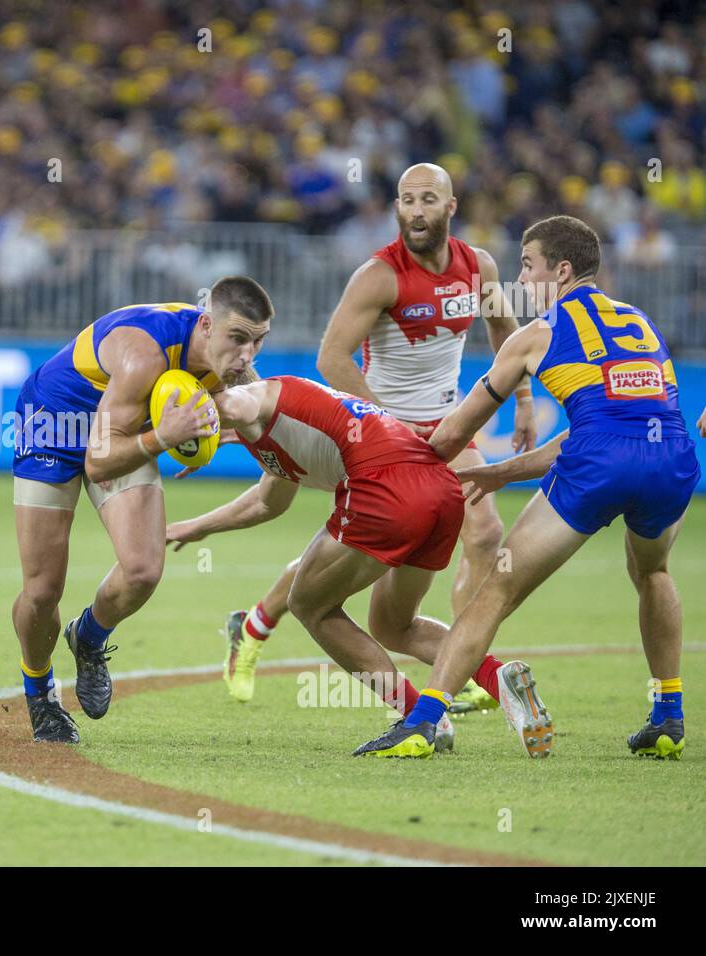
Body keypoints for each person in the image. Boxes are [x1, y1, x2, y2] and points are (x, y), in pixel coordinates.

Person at [355, 215, 699, 759]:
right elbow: (613, 424)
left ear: (561, 271)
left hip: (598, 467)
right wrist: (500, 472)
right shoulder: (640, 321)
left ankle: (423, 721)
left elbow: (454, 430)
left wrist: (393, 467)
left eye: (527, 264)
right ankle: (668, 717)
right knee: (653, 572)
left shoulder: (535, 335)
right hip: (673, 460)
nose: (520, 277)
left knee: (493, 590)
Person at [221, 163, 535, 710]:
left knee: (482, 533)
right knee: (367, 549)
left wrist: (526, 399)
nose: (416, 210)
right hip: (380, 433)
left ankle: (457, 657)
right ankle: (254, 625)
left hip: (448, 427)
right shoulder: (379, 276)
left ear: (451, 207)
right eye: (406, 200)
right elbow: (331, 357)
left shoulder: (477, 266)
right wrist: (384, 424)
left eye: (428, 200)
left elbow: (506, 333)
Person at [167, 374, 523, 754]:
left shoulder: (252, 399)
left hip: (387, 490)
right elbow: (266, 502)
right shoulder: (273, 430)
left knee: (307, 603)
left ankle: (415, 720)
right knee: (395, 626)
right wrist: (197, 527)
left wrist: (171, 430)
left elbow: (232, 402)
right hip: (439, 489)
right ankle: (497, 677)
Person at [11, 279, 272, 743]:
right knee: (43, 589)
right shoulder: (145, 354)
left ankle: (88, 637)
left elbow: (259, 406)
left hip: (123, 426)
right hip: (56, 419)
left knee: (143, 571)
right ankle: (41, 695)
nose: (247, 355)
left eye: (258, 341)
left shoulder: (231, 362)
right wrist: (164, 438)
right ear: (207, 325)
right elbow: (97, 459)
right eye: (238, 339)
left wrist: (247, 436)